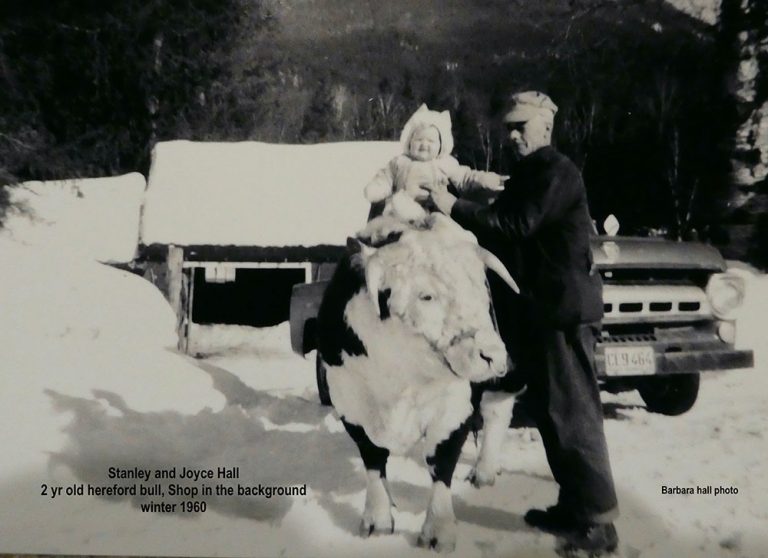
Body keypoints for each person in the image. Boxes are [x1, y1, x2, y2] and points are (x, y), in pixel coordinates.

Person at [422, 91, 619, 555]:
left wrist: (452, 206)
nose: (512, 136)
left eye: (521, 127)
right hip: (544, 314)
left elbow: (514, 225)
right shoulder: (532, 175)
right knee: (554, 418)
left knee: (573, 417)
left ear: (545, 128)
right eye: (508, 128)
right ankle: (575, 508)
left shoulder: (556, 172)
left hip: (562, 315)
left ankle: (598, 525)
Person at [364, 103, 507, 222]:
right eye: (419, 139)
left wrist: (486, 179)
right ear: (409, 141)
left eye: (431, 141)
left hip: (434, 212)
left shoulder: (445, 163)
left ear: (441, 146)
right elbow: (385, 178)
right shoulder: (400, 162)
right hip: (401, 213)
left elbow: (465, 177)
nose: (424, 144)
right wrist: (377, 188)